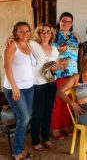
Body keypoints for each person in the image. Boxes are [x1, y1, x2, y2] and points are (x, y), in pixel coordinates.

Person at [3, 22, 35, 160]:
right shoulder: (12, 45)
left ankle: (17, 146)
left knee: (24, 117)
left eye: (27, 31)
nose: (25, 33)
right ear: (15, 32)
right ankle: (17, 152)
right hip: (15, 88)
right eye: (21, 31)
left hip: (29, 87)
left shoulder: (29, 44)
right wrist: (14, 87)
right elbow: (7, 67)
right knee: (25, 117)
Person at [51, 12, 81, 140]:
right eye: (64, 21)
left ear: (72, 24)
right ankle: (55, 129)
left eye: (69, 22)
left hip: (73, 74)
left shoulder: (75, 36)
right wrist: (58, 50)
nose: (66, 24)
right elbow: (48, 52)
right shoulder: (53, 35)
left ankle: (66, 127)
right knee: (58, 101)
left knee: (69, 101)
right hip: (59, 73)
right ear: (59, 21)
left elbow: (77, 54)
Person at [30, 23, 60, 151]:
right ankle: (35, 140)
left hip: (51, 83)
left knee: (48, 112)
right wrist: (10, 40)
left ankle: (46, 138)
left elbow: (55, 67)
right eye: (43, 31)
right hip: (37, 84)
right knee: (38, 112)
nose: (46, 34)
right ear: (38, 33)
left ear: (51, 34)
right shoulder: (32, 45)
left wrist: (58, 67)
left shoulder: (55, 49)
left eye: (48, 31)